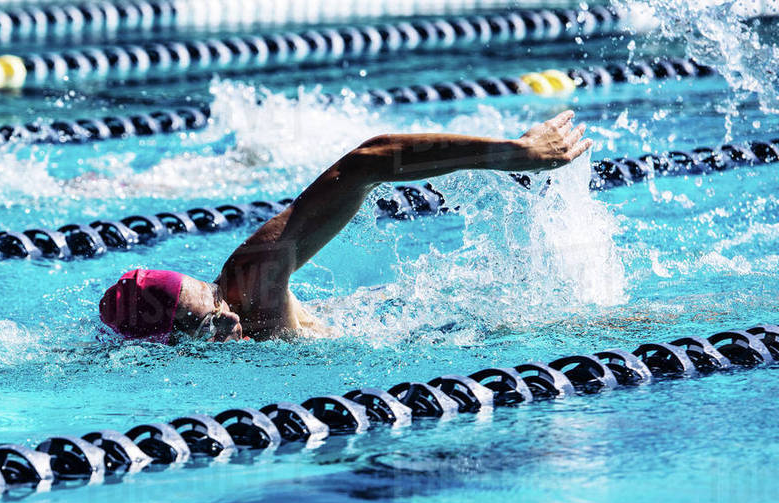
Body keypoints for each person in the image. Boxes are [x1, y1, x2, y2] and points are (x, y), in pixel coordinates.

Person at [98, 110, 592, 342]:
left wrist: (510, 153)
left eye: (214, 299)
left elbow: (364, 163)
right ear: (166, 349)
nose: (228, 317)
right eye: (207, 323)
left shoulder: (249, 286)